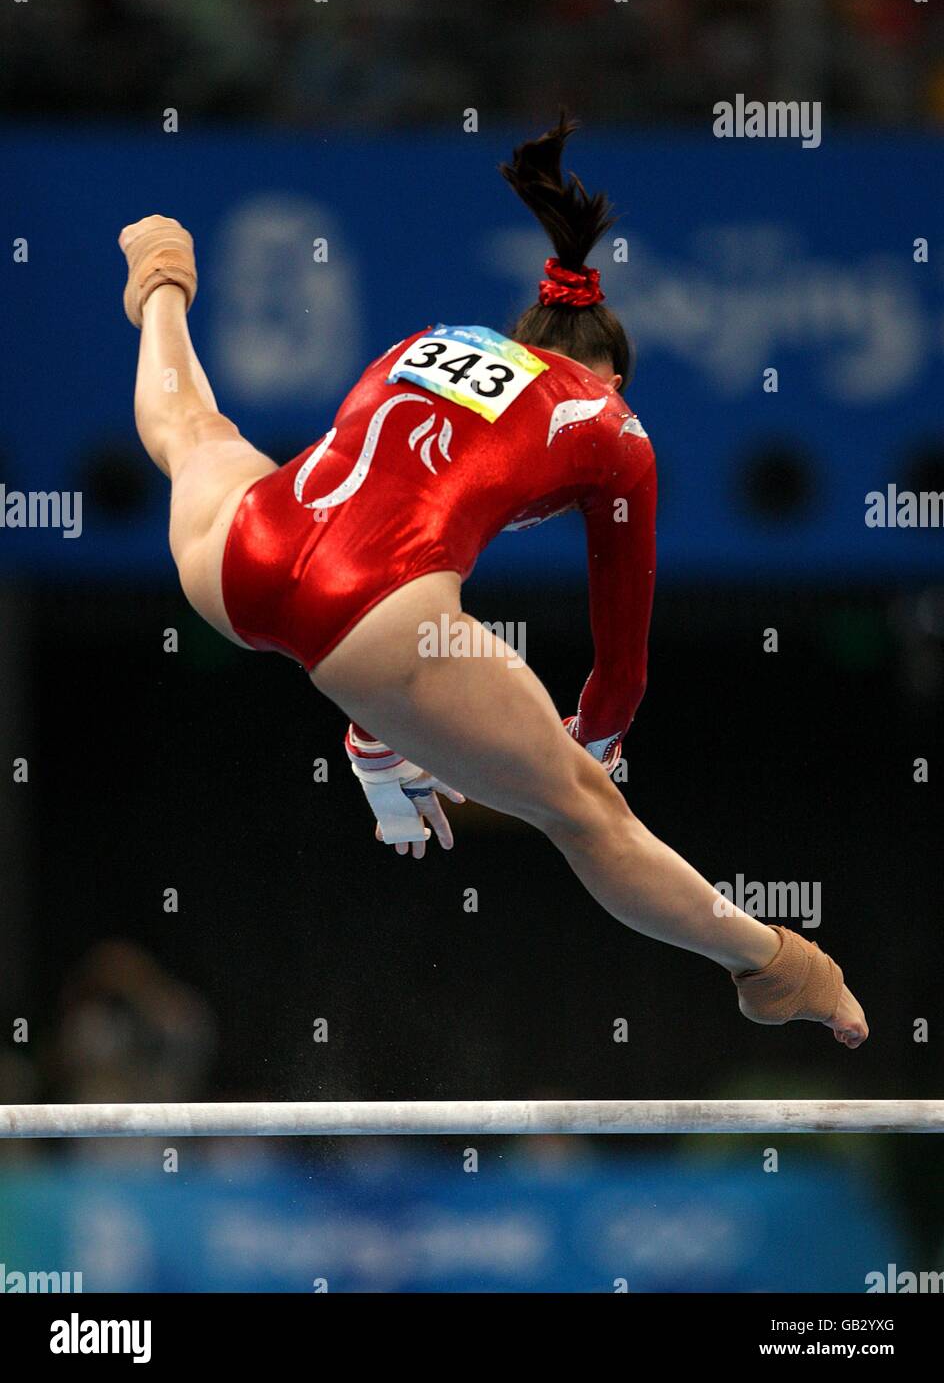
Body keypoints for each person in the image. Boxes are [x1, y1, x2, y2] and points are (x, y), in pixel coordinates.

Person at [118, 116, 867, 1046]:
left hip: (242, 553)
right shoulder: (613, 425)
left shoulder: (431, 341)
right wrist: (587, 756)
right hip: (375, 621)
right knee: (588, 818)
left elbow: (367, 529)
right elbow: (619, 669)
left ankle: (160, 282)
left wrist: (397, 728)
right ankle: (781, 969)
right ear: (611, 373)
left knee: (196, 438)